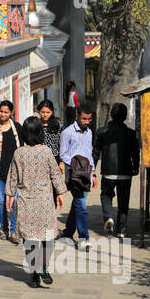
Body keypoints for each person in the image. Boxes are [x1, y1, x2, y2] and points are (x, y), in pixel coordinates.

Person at [7, 116, 70, 288]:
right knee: (47, 237)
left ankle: (34, 274)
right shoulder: (46, 152)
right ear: (40, 132)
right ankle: (43, 267)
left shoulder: (18, 153)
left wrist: (9, 196)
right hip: (44, 201)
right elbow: (55, 174)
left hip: (26, 201)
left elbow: (13, 176)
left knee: (30, 239)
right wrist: (60, 193)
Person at [94, 102, 140, 237]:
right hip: (126, 173)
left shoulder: (102, 132)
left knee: (106, 195)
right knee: (123, 201)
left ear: (111, 115)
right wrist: (135, 166)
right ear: (125, 116)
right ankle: (122, 230)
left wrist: (93, 169)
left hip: (108, 172)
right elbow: (135, 153)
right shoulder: (131, 134)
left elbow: (96, 151)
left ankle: (109, 217)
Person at [58, 103, 98, 249]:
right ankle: (83, 238)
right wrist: (77, 164)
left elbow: (89, 153)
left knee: (78, 204)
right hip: (73, 175)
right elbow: (63, 154)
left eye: (89, 119)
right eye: (84, 119)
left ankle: (68, 232)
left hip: (86, 175)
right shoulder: (67, 133)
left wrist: (93, 173)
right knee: (81, 205)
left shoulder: (89, 132)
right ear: (77, 116)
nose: (87, 122)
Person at [0, 100, 21, 244]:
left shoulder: (17, 128)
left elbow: (22, 149)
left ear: (11, 113)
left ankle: (13, 231)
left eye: (6, 112)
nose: (3, 114)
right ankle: (4, 229)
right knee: (2, 201)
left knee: (14, 202)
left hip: (15, 173)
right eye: (1, 111)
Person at [37, 99, 62, 165]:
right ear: (39, 111)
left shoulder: (57, 124)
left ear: (52, 112)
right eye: (42, 112)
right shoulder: (36, 124)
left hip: (54, 158)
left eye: (48, 112)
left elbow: (61, 142)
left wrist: (61, 161)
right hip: (39, 158)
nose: (45, 115)